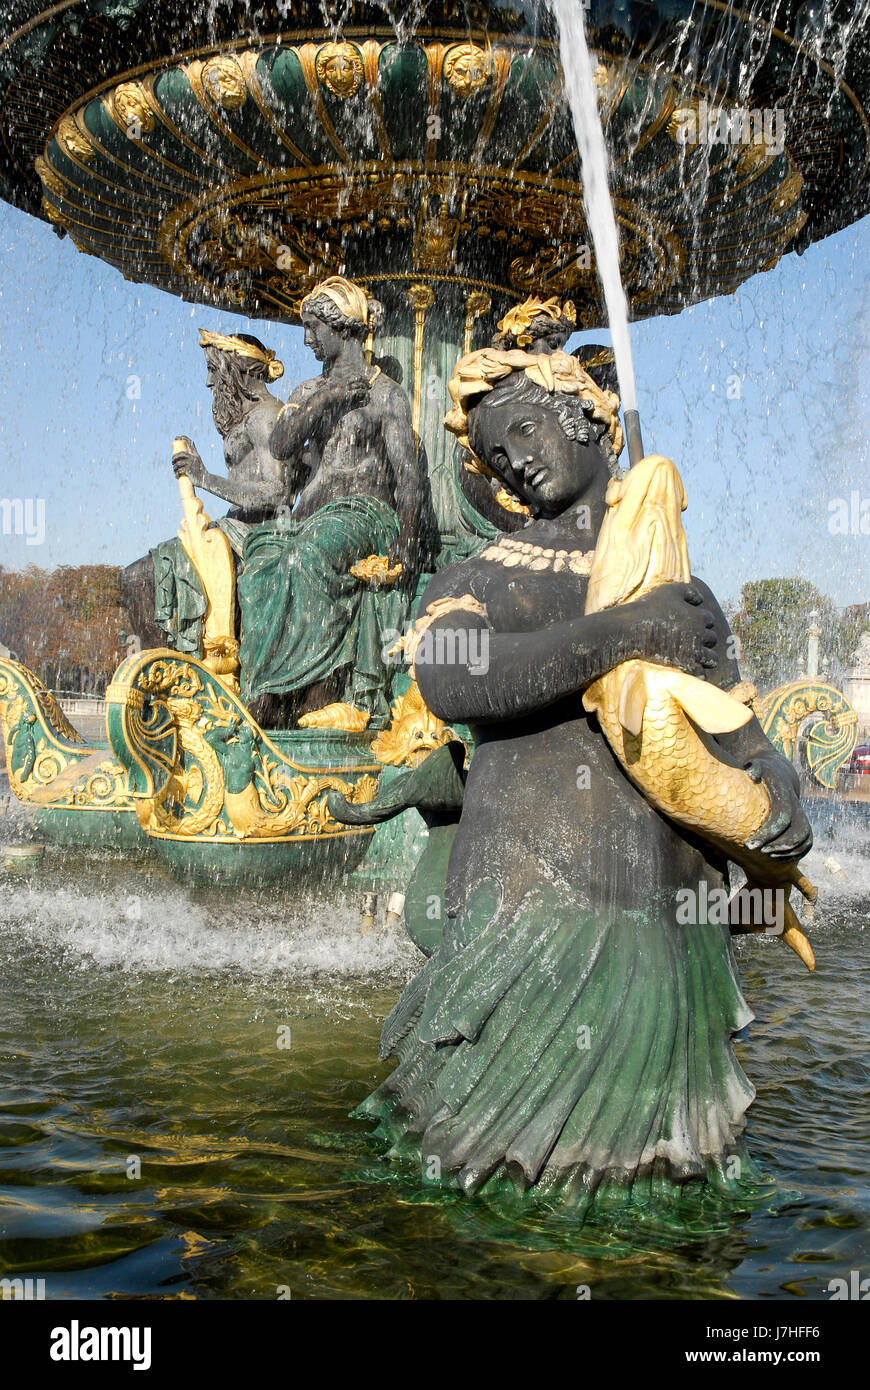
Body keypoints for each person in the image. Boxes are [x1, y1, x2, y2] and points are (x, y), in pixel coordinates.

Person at [355, 346, 812, 1218]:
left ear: (583, 418)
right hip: (529, 930)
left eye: (522, 430)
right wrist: (619, 633)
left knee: (662, 1221)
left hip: (667, 942)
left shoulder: (680, 590)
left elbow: (736, 722)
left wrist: (774, 779)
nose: (513, 462)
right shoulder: (479, 575)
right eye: (494, 457)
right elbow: (452, 678)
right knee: (488, 1212)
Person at [236, 276, 430, 726]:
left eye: (312, 328)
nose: (305, 339)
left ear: (341, 327)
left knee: (305, 558)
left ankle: (287, 692)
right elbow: (282, 445)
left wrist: (407, 537)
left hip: (365, 513)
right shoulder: (309, 391)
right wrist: (326, 397)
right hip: (311, 517)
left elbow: (409, 476)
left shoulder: (386, 394)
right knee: (260, 562)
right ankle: (271, 683)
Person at [119, 331, 287, 652]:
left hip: (256, 536)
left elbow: (276, 493)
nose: (209, 382)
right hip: (231, 529)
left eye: (214, 369)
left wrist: (203, 477)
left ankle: (172, 672)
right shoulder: (246, 416)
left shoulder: (266, 416)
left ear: (237, 369)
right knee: (136, 579)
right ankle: (170, 671)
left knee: (138, 578)